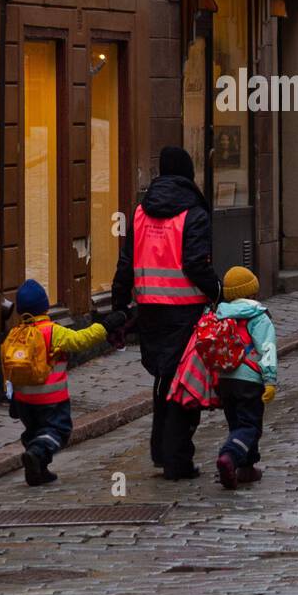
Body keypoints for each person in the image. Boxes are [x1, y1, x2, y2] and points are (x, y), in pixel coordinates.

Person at [111, 146, 221, 480]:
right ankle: (177, 459)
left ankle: (161, 450)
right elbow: (194, 263)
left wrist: (118, 305)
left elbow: (127, 263)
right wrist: (217, 290)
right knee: (182, 384)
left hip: (150, 313)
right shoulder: (194, 213)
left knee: (163, 380)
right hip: (185, 312)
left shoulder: (142, 212)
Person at [7, 278, 125, 486]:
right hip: (51, 399)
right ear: (45, 307)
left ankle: (38, 470)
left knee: (34, 431)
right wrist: (105, 326)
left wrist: (12, 397)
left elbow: (7, 367)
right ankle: (37, 453)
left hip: (24, 400)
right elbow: (81, 340)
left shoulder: (15, 335)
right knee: (58, 431)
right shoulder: (51, 331)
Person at [214, 266, 277, 490]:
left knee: (236, 424)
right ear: (253, 292)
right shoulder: (259, 316)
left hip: (225, 380)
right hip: (249, 379)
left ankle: (246, 468)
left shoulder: (220, 314)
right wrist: (270, 380)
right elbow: (267, 349)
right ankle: (229, 457)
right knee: (250, 426)